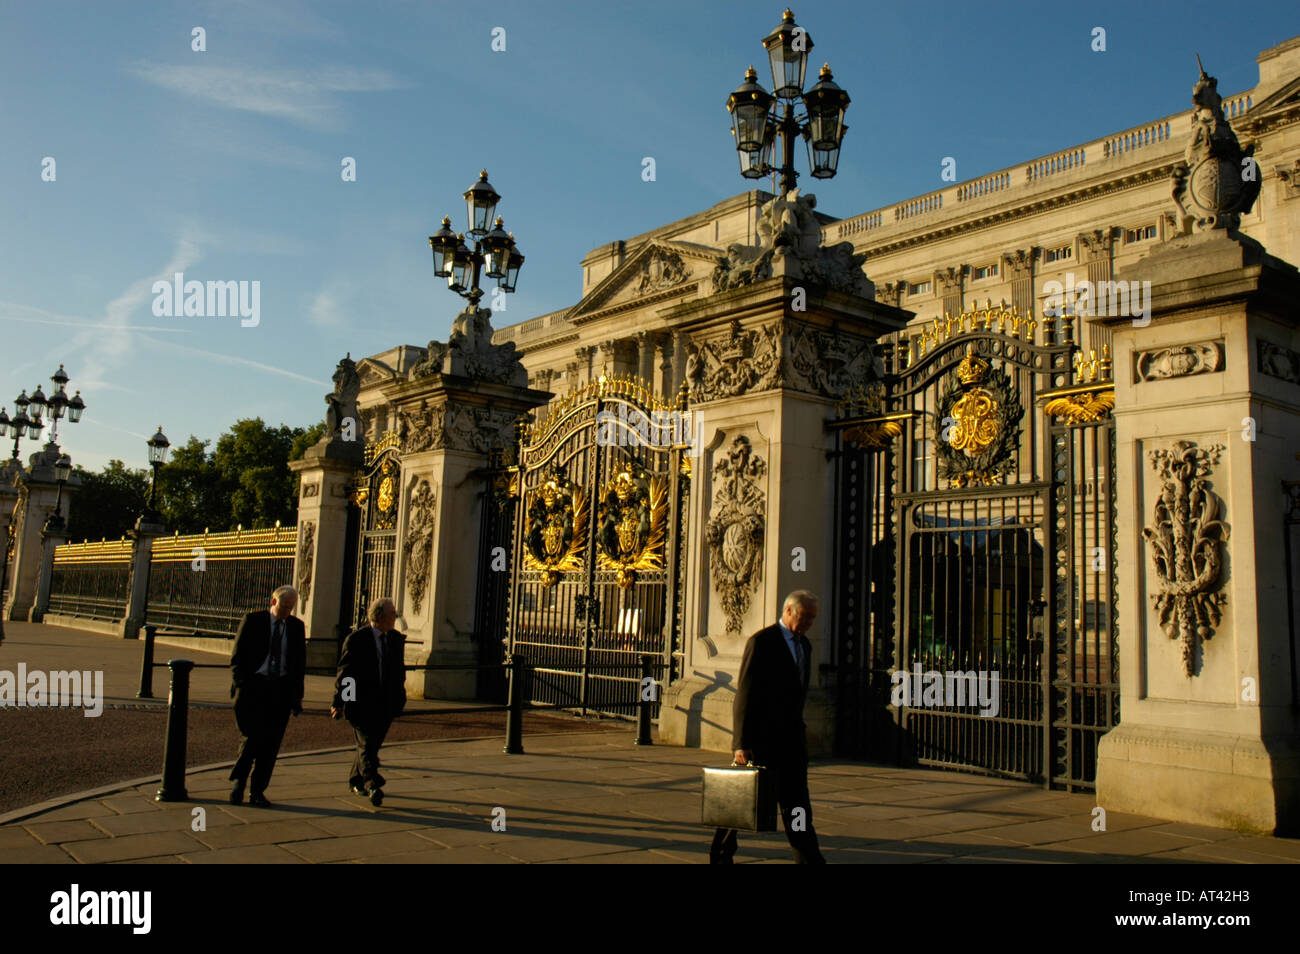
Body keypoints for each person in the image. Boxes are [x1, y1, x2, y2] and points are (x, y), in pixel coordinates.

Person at [710, 590, 826, 864]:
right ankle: (720, 856)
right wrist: (740, 743)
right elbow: (745, 694)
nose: (809, 622)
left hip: (792, 743)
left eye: (812, 618)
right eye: (804, 616)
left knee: (797, 806)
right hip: (761, 742)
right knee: (739, 804)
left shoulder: (804, 645)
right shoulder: (762, 642)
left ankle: (809, 858)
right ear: (787, 611)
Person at [229, 585, 306, 807]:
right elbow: (237, 656)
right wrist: (240, 683)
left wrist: (297, 696)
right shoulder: (253, 620)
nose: (286, 612)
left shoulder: (295, 627)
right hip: (253, 687)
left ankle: (257, 791)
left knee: (270, 745)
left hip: (280, 690)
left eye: (290, 608)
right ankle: (239, 783)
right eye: (283, 606)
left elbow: (299, 664)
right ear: (273, 602)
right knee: (251, 739)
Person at [331, 597, 406, 806]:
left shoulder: (395, 639)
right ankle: (372, 783)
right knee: (366, 744)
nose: (395, 617)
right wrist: (341, 702)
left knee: (370, 746)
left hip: (385, 702)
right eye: (393, 614)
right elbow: (346, 673)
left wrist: (400, 698)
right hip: (361, 702)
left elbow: (399, 672)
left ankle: (356, 779)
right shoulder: (356, 639)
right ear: (380, 616)